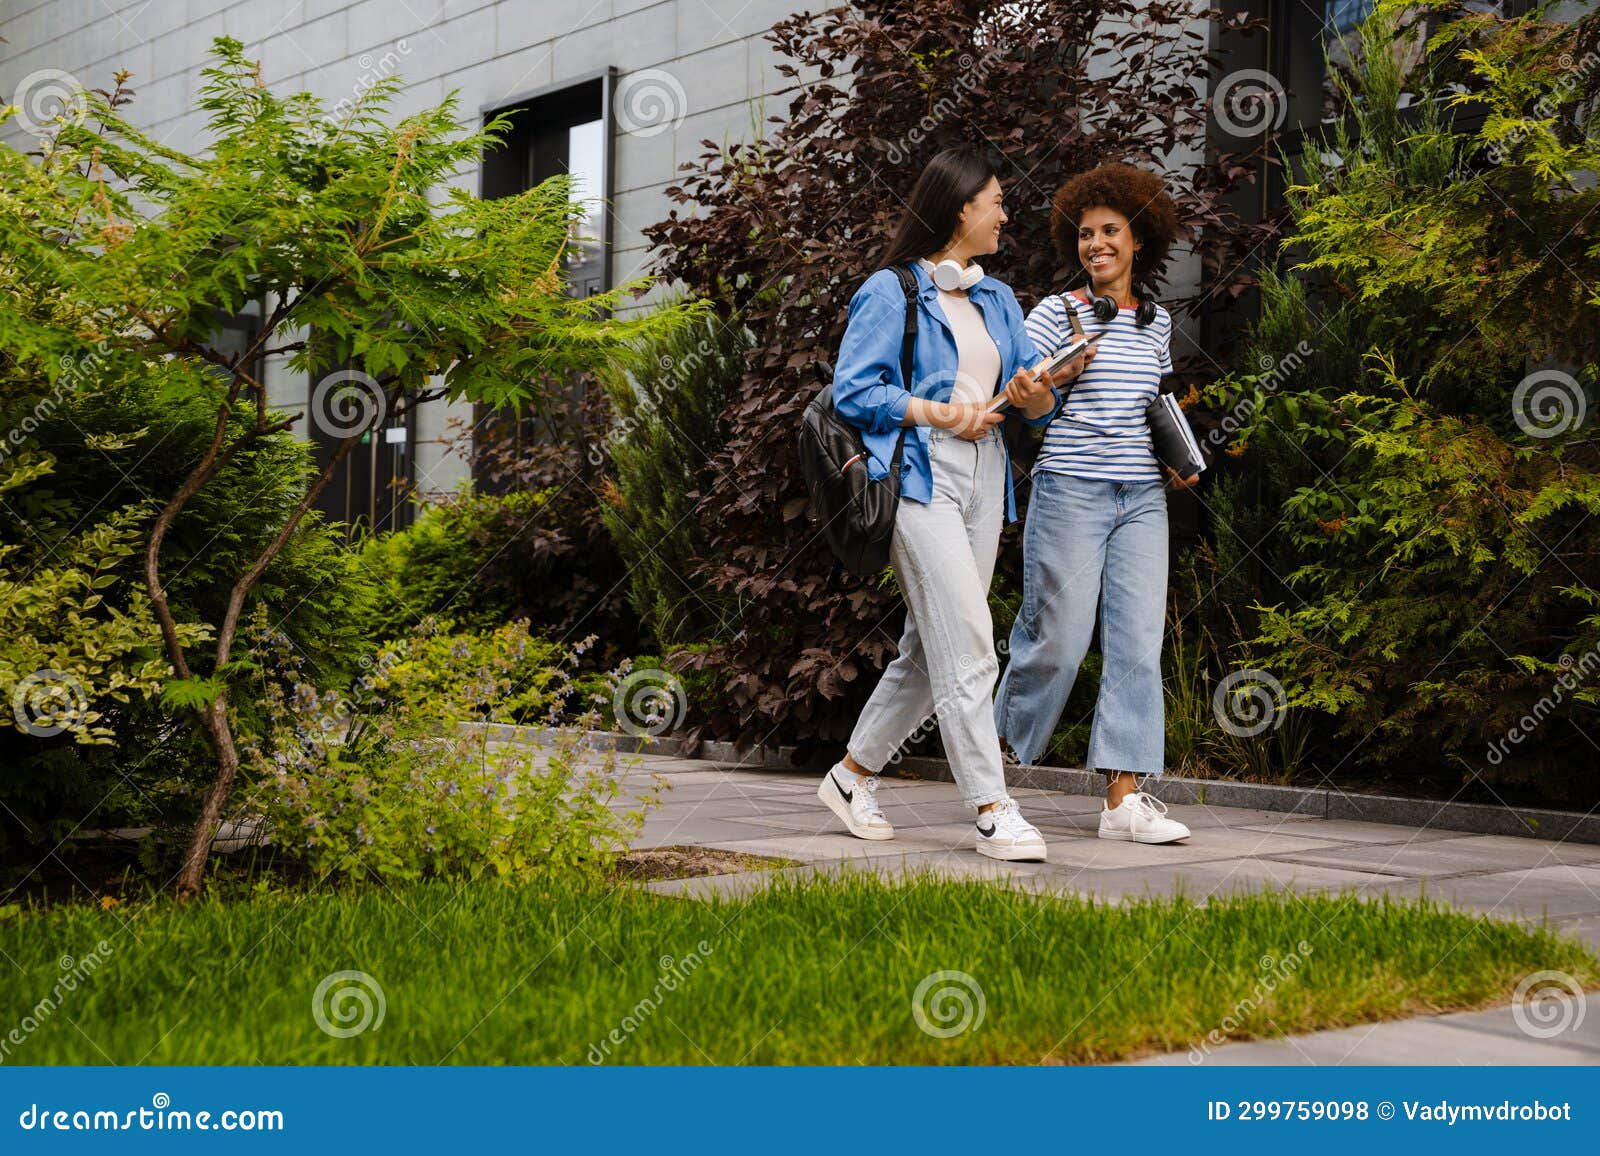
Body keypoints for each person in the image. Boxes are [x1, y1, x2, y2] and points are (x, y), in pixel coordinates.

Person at [816, 146, 1089, 862]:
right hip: (917, 477)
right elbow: (855, 392)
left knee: (924, 647)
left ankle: (849, 778)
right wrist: (941, 414)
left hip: (985, 475)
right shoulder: (891, 291)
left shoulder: (997, 297)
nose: (1005, 213)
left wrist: (1038, 395)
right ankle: (993, 809)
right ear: (960, 207)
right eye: (995, 201)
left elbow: (1034, 408)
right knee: (969, 637)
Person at [993, 162, 1197, 845]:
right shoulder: (1058, 312)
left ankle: (1123, 802)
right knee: (1059, 640)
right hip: (1071, 489)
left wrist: (1179, 458)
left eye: (1110, 231)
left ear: (1139, 239)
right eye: (1085, 234)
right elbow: (1033, 409)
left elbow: (1149, 406)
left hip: (1140, 494)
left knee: (1138, 641)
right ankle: (988, 767)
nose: (1096, 244)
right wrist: (1048, 384)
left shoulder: (1157, 322)